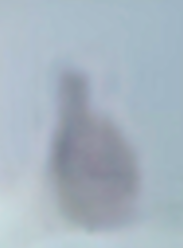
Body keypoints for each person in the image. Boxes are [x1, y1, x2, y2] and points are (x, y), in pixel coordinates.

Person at [47, 65, 139, 232]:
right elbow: (54, 178)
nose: (69, 100)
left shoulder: (105, 130)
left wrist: (114, 195)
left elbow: (130, 171)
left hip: (105, 209)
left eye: (74, 94)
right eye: (67, 95)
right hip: (80, 212)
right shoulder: (63, 137)